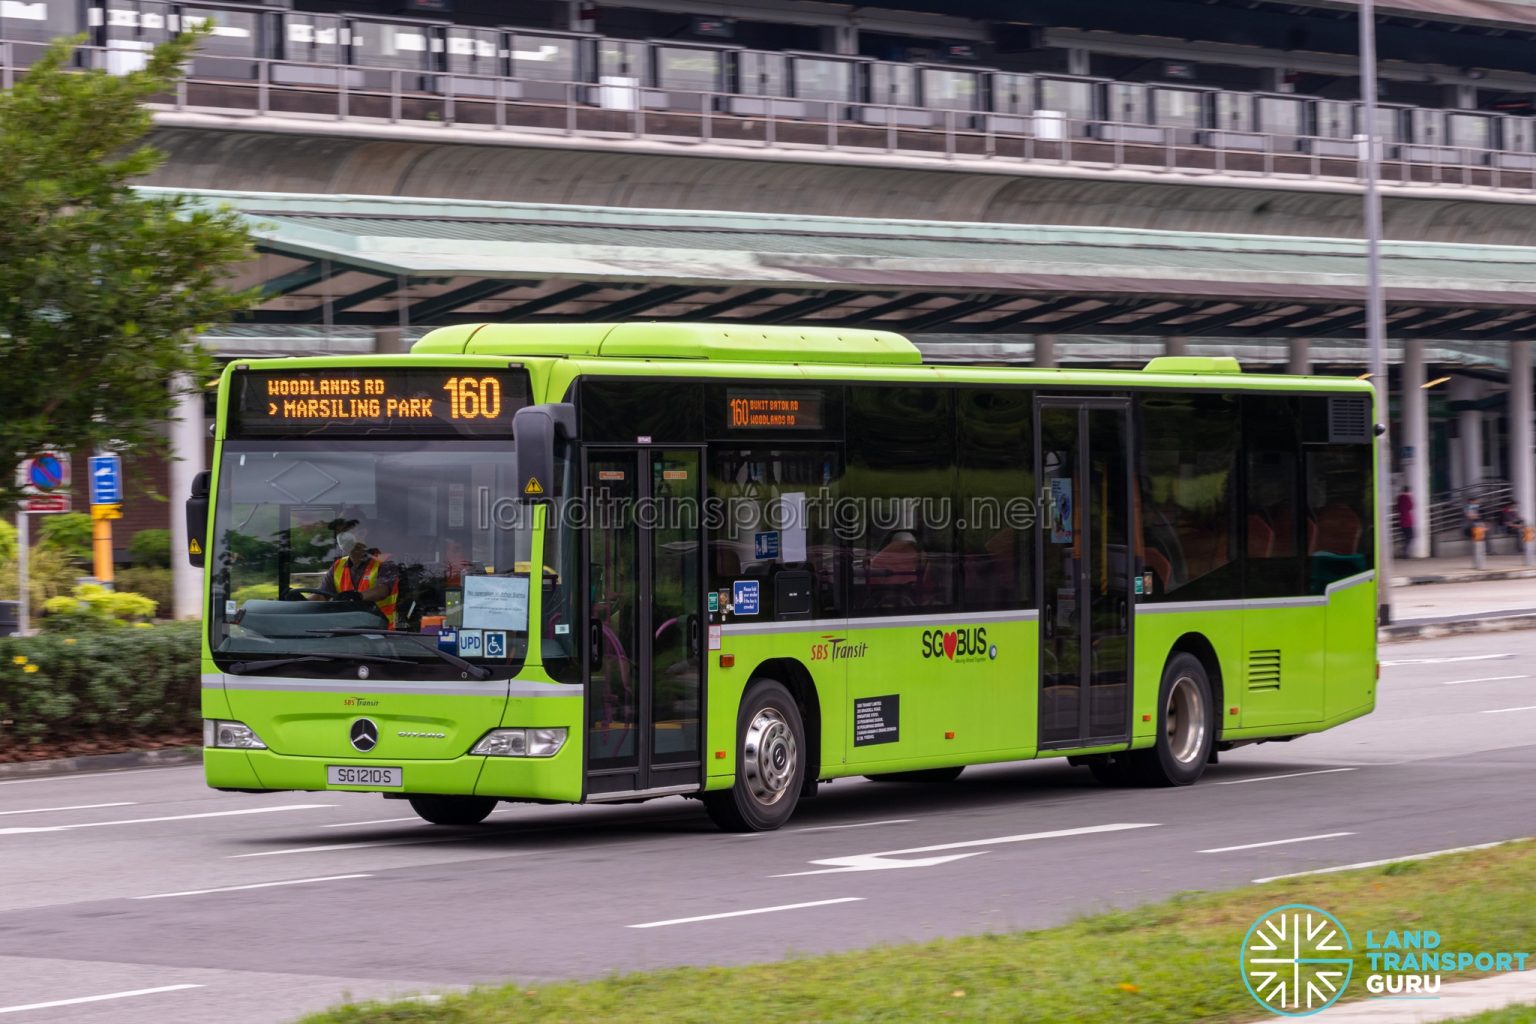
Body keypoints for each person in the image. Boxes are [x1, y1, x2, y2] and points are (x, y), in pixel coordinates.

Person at [315, 519, 399, 627]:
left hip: (381, 633)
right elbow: (321, 596)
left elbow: (382, 590)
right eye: (338, 532)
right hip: (349, 634)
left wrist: (357, 596)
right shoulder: (338, 565)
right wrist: (298, 601)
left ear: (363, 533)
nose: (340, 536)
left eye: (345, 531)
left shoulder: (385, 562)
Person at [1395, 488, 1415, 556]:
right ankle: (1405, 551)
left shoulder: (1399, 498)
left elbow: (1397, 508)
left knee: (1404, 537)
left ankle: (1404, 550)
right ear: (1408, 491)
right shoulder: (1407, 497)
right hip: (1407, 521)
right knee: (1410, 536)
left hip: (1401, 520)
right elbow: (1411, 506)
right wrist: (1410, 497)